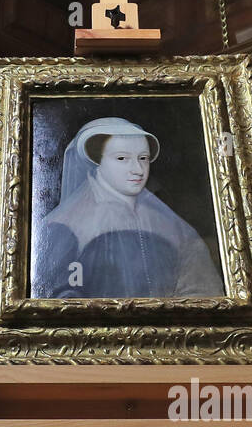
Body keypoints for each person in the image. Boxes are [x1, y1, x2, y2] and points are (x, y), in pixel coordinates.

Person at [32, 117, 223, 299]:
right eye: (122, 158)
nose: (138, 170)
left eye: (143, 158)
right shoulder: (64, 225)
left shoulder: (168, 222)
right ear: (98, 162)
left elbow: (202, 289)